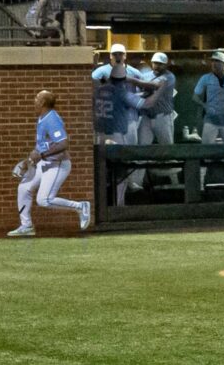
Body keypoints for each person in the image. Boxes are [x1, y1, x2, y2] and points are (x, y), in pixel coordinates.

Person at [9, 90, 92, 235]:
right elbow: (42, 146)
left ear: (42, 103)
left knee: (44, 200)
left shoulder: (51, 119)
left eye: (37, 98)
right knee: (24, 188)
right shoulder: (42, 117)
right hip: (45, 163)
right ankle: (26, 226)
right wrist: (27, 161)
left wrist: (41, 155)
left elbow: (63, 144)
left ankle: (80, 206)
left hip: (58, 164)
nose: (34, 100)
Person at [91, 44, 144, 204]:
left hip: (130, 120)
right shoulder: (100, 72)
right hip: (109, 124)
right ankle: (106, 199)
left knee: (128, 157)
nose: (118, 57)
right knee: (108, 160)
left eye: (120, 54)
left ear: (125, 55)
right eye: (115, 54)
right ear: (110, 56)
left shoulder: (135, 73)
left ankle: (122, 198)